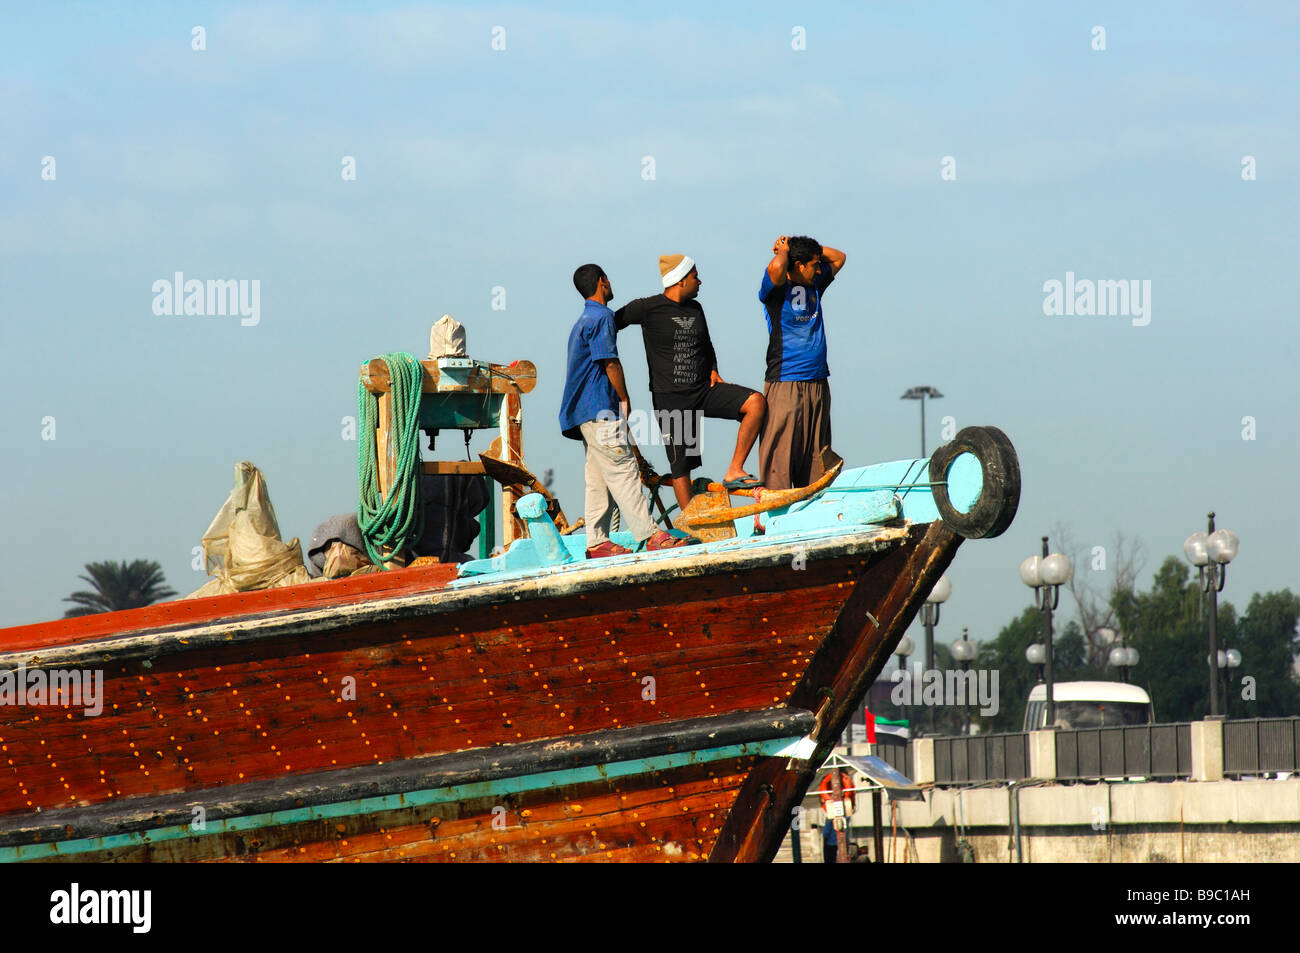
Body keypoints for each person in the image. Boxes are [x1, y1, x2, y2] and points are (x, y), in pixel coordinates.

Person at [559, 264, 699, 558]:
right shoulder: (602, 317)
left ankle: (597, 542)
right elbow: (610, 362)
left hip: (583, 413)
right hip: (600, 409)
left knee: (598, 478)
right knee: (624, 470)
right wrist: (624, 398)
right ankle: (650, 535)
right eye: (608, 279)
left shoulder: (580, 321)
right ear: (602, 282)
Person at [615, 255, 767, 512]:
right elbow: (609, 324)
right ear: (681, 279)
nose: (700, 281)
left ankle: (734, 470)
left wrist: (714, 369)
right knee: (681, 467)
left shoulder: (696, 308)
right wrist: (604, 363)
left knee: (755, 403)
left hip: (703, 391)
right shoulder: (646, 308)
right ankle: (691, 526)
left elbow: (707, 344)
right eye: (695, 276)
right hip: (671, 398)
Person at [757, 235, 847, 489]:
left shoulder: (814, 282)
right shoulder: (775, 289)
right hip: (786, 382)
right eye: (814, 264)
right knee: (780, 461)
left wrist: (804, 248)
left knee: (817, 461)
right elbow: (776, 268)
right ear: (797, 266)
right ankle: (776, 516)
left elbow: (839, 257)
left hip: (818, 381)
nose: (819, 269)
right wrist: (784, 252)